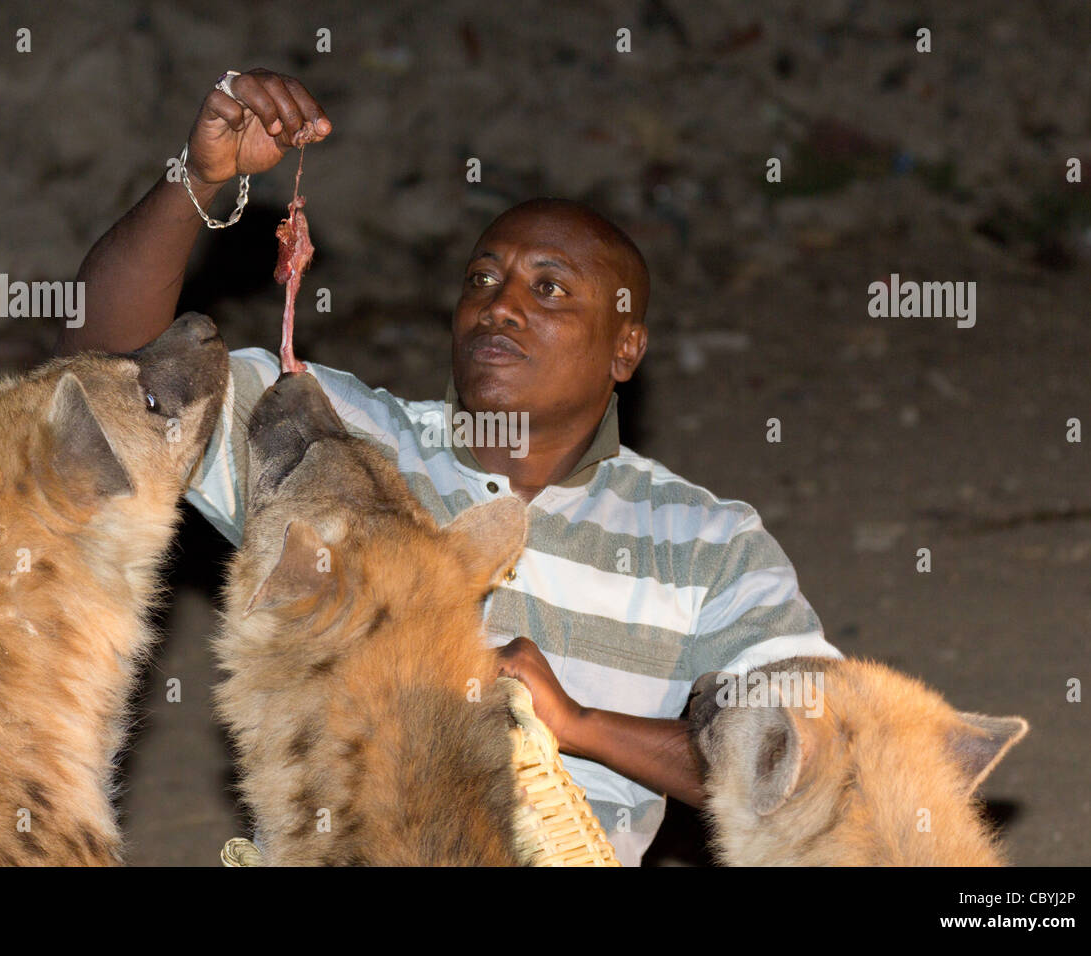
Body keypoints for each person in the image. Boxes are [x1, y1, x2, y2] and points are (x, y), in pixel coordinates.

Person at [59, 68, 842, 866]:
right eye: (483, 279)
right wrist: (195, 181)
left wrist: (582, 727)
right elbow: (113, 373)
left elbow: (817, 776)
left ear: (626, 347)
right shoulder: (337, 437)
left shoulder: (705, 543)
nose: (500, 305)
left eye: (551, 289)